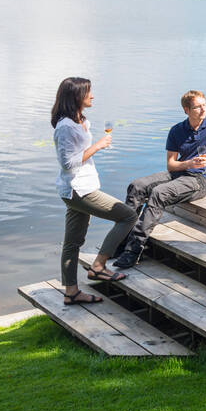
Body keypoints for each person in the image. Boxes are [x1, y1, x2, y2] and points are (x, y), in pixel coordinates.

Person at [111, 90, 206, 269]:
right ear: (187, 110)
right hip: (180, 172)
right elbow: (171, 165)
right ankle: (120, 241)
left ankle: (134, 249)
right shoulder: (176, 131)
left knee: (159, 193)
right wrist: (188, 163)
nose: (203, 110)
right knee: (136, 186)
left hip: (201, 179)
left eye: (205, 105)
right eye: (197, 107)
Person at [50, 77, 136, 304]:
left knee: (72, 242)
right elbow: (68, 164)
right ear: (76, 96)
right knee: (128, 216)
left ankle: (71, 292)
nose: (92, 96)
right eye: (88, 92)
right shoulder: (66, 127)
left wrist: (93, 145)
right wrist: (97, 145)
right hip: (79, 189)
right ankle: (98, 266)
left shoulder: (80, 121)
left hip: (81, 187)